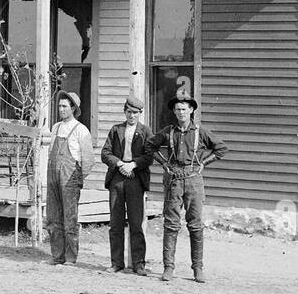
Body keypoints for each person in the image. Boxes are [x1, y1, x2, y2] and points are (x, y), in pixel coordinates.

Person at [145, 95, 228, 283]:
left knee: (196, 225)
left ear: (191, 110)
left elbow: (221, 149)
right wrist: (164, 163)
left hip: (193, 181)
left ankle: (197, 268)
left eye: (184, 109)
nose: (181, 112)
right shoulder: (169, 132)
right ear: (174, 112)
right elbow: (150, 145)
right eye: (177, 109)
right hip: (174, 180)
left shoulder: (200, 132)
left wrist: (204, 163)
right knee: (171, 224)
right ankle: (168, 268)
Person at [102, 94, 154, 276]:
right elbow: (105, 153)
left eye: (135, 113)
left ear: (140, 114)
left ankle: (139, 264)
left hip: (135, 179)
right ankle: (117, 263)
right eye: (129, 112)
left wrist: (133, 164)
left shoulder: (146, 132)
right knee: (115, 223)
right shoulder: (116, 130)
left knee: (136, 223)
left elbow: (149, 156)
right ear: (124, 112)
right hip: (117, 178)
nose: (132, 116)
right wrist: (120, 164)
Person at [45, 91, 95, 266]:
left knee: (70, 218)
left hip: (70, 178)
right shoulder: (56, 127)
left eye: (65, 106)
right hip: (53, 177)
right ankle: (57, 255)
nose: (61, 109)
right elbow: (52, 152)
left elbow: (89, 160)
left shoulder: (81, 130)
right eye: (59, 106)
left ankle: (71, 257)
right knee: (53, 217)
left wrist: (78, 179)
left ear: (73, 108)